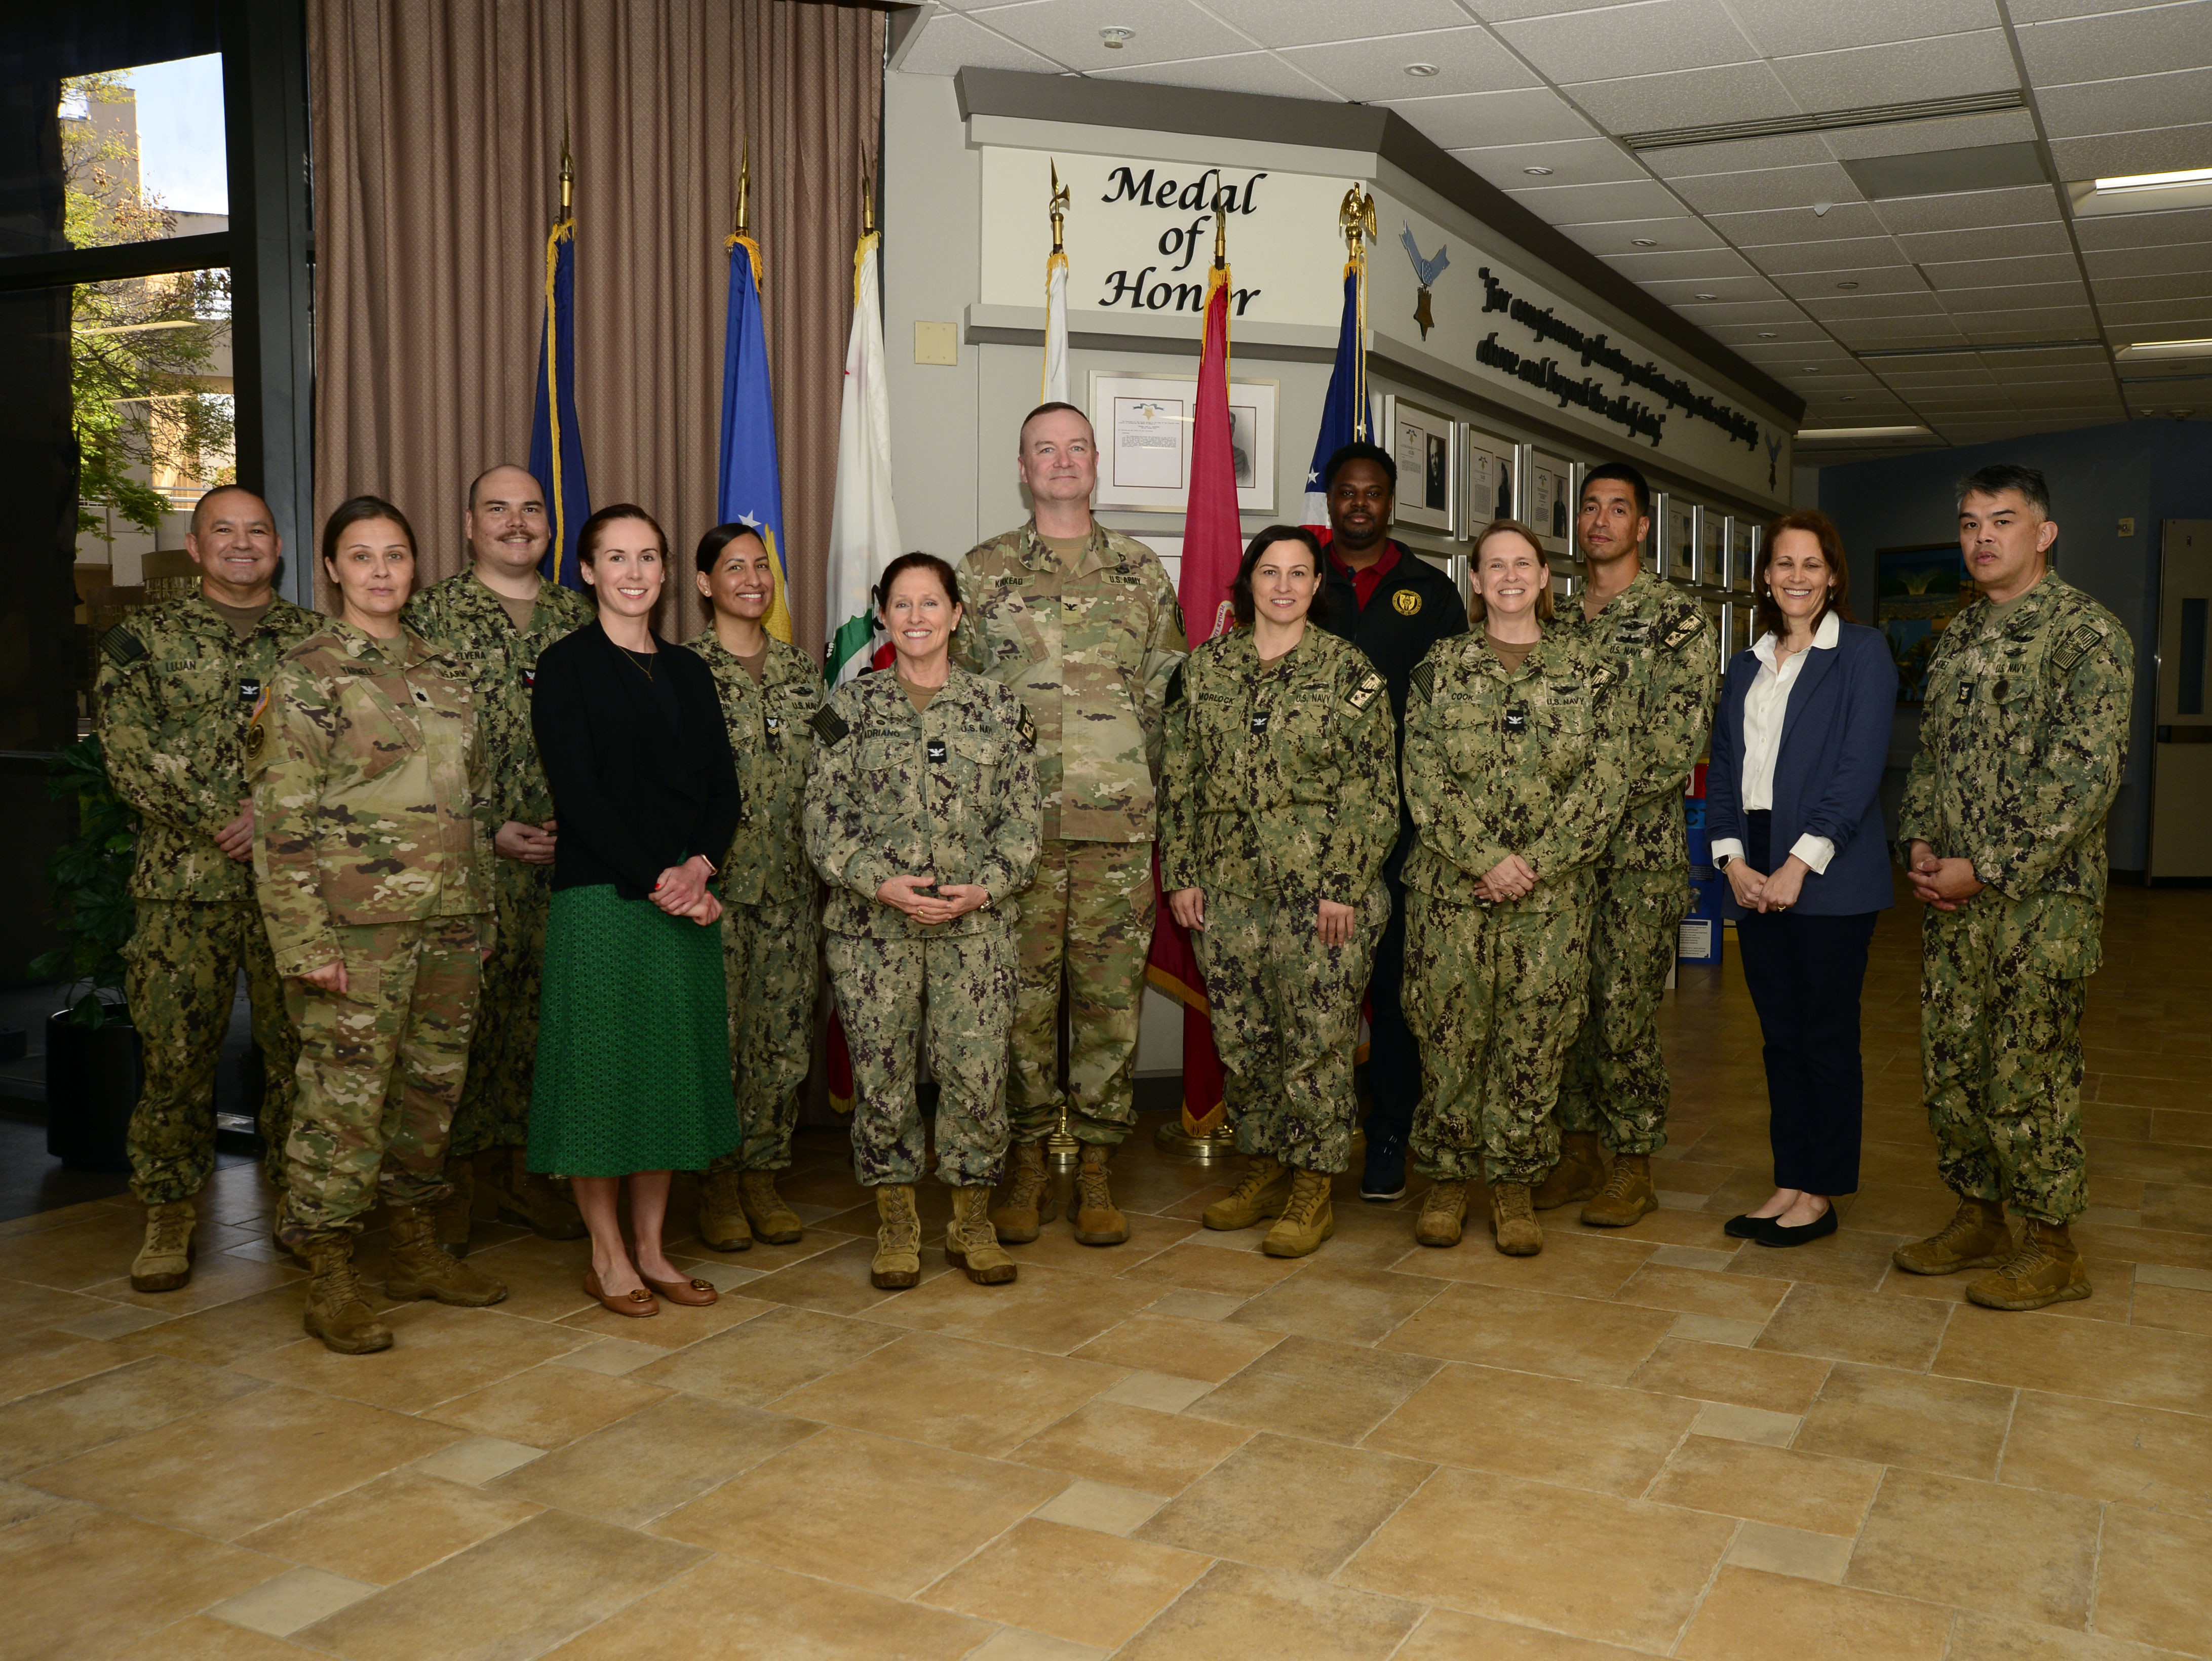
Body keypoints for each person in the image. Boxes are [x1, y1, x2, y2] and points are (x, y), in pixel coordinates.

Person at [252, 497, 507, 1353]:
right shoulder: (306, 674)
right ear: (331, 569)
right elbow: (280, 824)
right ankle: (329, 1268)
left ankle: (414, 1248)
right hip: (357, 934)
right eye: (362, 557)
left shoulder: (447, 669)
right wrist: (305, 945)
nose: (382, 571)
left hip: (451, 921)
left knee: (431, 1094)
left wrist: (482, 915)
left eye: (395, 554)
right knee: (342, 1103)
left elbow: (469, 801)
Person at [1892, 465, 2132, 1310]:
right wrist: (1921, 841)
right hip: (1954, 905)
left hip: (2041, 907)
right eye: (1968, 524)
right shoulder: (1958, 638)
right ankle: (1979, 1214)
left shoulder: (2085, 637)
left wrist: (1983, 865)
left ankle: (2052, 1246)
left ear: (2045, 532)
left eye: (2002, 520)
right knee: (1954, 1064)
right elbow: (1930, 755)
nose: (1982, 538)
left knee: (2027, 1072)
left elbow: (2082, 781)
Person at [956, 403, 1186, 1248]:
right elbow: (965, 707)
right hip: (1017, 838)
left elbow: (1170, 699)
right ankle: (1024, 1157)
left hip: (1118, 829)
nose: (1061, 461)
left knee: (1107, 1006)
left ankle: (1094, 1163)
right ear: (1022, 467)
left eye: (1076, 447)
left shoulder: (1139, 571)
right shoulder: (980, 574)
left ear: (1097, 463)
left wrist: (1160, 802)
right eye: (1044, 450)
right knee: (1017, 1008)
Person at [96, 486, 319, 1293]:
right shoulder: (141, 642)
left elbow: (348, 755)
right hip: (182, 890)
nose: (242, 544)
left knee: (299, 1055)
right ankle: (168, 1211)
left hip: (292, 889)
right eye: (223, 531)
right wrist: (229, 816)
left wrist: (274, 816)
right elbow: (127, 756)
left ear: (279, 547)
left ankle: (300, 1203)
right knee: (176, 1059)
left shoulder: (317, 643)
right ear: (194, 548)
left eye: (257, 531)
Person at [527, 505, 742, 1318]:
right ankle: (607, 1256)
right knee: (601, 1079)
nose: (633, 571)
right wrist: (660, 878)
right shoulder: (567, 666)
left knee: (667, 1079)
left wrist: (701, 866)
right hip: (603, 901)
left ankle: (653, 1249)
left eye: (648, 556)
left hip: (685, 903)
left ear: (665, 572)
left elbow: (725, 787)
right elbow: (577, 796)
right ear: (586, 571)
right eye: (615, 557)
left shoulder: (691, 671)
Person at [806, 553, 1041, 1290]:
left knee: (977, 1079)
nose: (916, 618)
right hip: (873, 935)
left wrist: (984, 889)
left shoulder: (999, 710)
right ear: (882, 615)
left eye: (930, 604)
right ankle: (897, 1221)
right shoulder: (844, 711)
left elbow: (1024, 826)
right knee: (884, 1080)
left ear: (957, 614)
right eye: (901, 605)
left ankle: (970, 1221)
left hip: (975, 932)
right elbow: (821, 822)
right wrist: (882, 885)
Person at [1161, 527, 1398, 1257]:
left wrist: (1343, 885)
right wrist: (1182, 873)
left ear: (1317, 586)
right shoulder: (1205, 670)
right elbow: (1179, 780)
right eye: (1271, 571)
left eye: (1300, 573)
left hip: (1322, 895)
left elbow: (1374, 791)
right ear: (1248, 581)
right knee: (1246, 1041)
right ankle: (1265, 1167)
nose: (1285, 585)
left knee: (1318, 1045)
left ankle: (1313, 1187)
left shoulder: (1349, 673)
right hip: (1229, 893)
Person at [1400, 521, 1629, 1256]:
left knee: (1535, 1041)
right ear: (1474, 581)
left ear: (1544, 578)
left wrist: (1532, 863)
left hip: (1550, 899)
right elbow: (1422, 778)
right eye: (1493, 565)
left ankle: (1513, 1184)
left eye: (1521, 564)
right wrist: (1483, 859)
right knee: (1447, 1038)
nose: (1508, 576)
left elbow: (1606, 782)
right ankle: (1444, 1179)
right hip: (1451, 895)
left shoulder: (1589, 671)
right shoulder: (1438, 667)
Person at [405, 464, 596, 1252]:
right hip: (463, 866)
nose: (518, 523)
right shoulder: (427, 616)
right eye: (498, 510)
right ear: (469, 523)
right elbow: (408, 751)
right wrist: (491, 833)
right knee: (458, 1030)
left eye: (532, 509)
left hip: (565, 862)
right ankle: (452, 1191)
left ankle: (526, 1176)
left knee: (545, 1025)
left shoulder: (578, 616)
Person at [1706, 510, 1897, 1247]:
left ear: (1834, 576)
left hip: (1828, 871)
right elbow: (1724, 770)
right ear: (1764, 577)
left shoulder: (1863, 655)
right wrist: (1732, 861)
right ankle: (1787, 1178)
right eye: (1783, 564)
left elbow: (1856, 775)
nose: (1796, 577)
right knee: (1778, 1038)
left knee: (1824, 1036)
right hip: (1753, 862)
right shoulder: (1746, 665)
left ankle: (1819, 1192)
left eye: (1811, 565)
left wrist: (1796, 864)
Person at [1548, 462, 1718, 1228]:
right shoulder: (1551, 619)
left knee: (1621, 1011)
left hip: (1635, 856)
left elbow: (1674, 743)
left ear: (1642, 528)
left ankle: (1632, 1163)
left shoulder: (1677, 621)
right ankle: (1578, 1152)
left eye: (1618, 510)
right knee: (1564, 1009)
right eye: (1590, 508)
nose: (1601, 521)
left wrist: (1575, 806)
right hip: (1559, 863)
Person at [1309, 441, 1468, 1201]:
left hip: (1407, 832)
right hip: (1311, 831)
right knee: (1318, 989)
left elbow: (1451, 716)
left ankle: (1389, 1135)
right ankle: (1311, 1139)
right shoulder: (1299, 584)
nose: (1360, 504)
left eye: (1374, 492)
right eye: (1347, 492)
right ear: (1330, 501)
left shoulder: (1430, 593)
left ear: (1392, 501)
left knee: (1400, 994)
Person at [686, 524, 823, 1250]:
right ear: (704, 583)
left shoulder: (806, 675)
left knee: (783, 1043)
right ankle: (715, 1181)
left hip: (793, 892)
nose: (751, 578)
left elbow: (834, 776)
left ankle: (763, 1174)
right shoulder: (681, 671)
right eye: (733, 567)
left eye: (761, 566)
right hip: (715, 895)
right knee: (718, 1040)